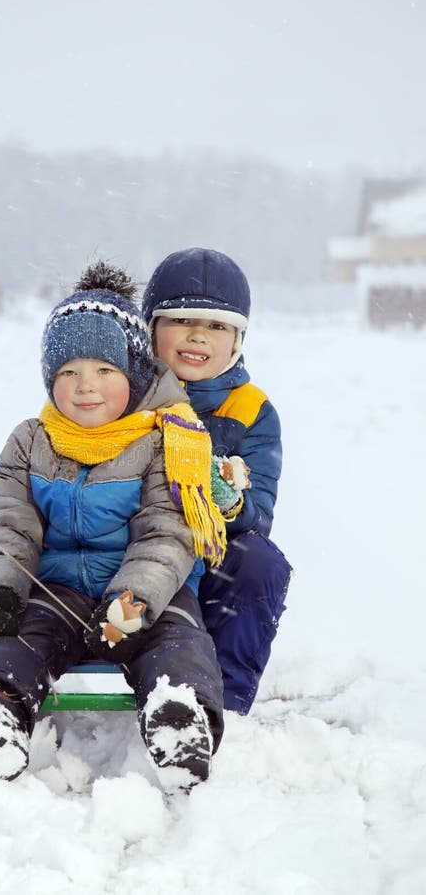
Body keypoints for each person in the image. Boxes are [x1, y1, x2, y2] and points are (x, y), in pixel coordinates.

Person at [0, 261, 226, 792]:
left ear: (135, 375)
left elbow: (166, 532)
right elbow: (7, 521)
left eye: (105, 371)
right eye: (68, 372)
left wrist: (135, 600)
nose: (86, 387)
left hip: (145, 597)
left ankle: (180, 720)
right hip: (55, 590)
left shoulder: (160, 441)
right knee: (20, 639)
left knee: (177, 642)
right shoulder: (31, 440)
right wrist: (0, 589)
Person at [141, 247, 292, 714]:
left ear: (237, 339)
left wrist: (228, 502)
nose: (198, 337)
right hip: (123, 554)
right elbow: (44, 448)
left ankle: (223, 704)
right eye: (182, 321)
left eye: (217, 326)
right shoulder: (117, 388)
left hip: (204, 567)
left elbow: (258, 514)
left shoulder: (250, 411)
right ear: (151, 328)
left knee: (259, 561)